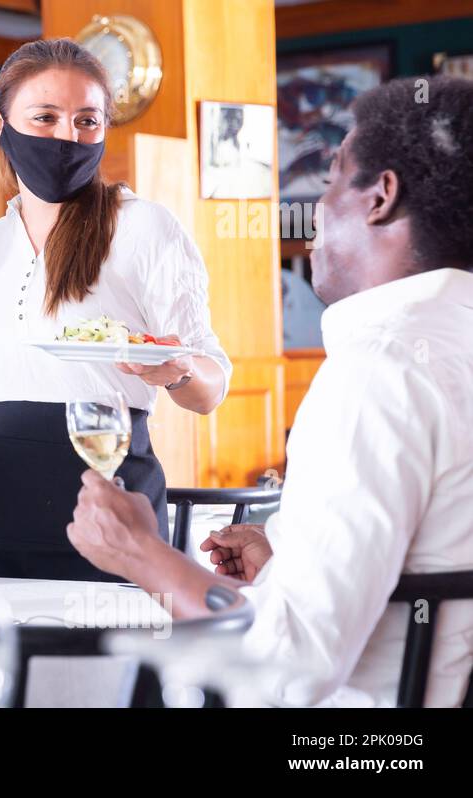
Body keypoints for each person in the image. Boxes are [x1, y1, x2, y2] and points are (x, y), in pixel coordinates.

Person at [67, 76, 473, 706]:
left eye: (332, 179)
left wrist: (142, 554)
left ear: (379, 197)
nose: (312, 209)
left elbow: (287, 668)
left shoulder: (381, 371)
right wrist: (286, 563)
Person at [0, 39, 230, 581]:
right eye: (45, 117)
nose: (67, 137)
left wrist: (178, 371)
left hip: (107, 500)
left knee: (107, 660)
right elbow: (6, 391)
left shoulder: (145, 228)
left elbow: (211, 389)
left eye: (86, 121)